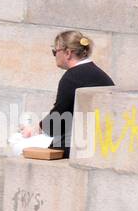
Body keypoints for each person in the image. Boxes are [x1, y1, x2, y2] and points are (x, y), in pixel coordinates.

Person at [19, 29, 114, 158]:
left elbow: (58, 120)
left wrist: (34, 129)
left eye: (55, 52)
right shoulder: (100, 74)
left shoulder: (72, 77)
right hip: (102, 140)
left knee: (18, 145)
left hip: (76, 144)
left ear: (68, 53)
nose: (54, 56)